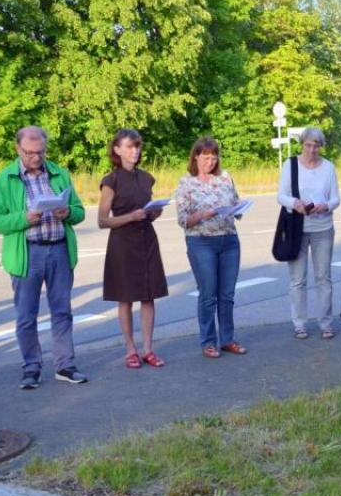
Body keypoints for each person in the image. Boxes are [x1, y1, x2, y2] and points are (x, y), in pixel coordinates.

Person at [0, 125, 88, 389]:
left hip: (59, 248)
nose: (36, 157)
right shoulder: (6, 177)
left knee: (62, 311)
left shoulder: (59, 173)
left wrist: (69, 213)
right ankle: (31, 368)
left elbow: (79, 211)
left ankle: (65, 365)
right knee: (26, 315)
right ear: (18, 148)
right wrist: (23, 218)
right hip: (27, 252)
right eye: (30, 153)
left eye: (40, 152)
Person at [98, 128, 168, 369]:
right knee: (125, 298)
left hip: (147, 239)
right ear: (117, 150)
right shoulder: (111, 180)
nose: (134, 150)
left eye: (137, 146)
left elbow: (146, 212)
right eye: (129, 146)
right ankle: (130, 349)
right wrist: (130, 216)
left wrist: (154, 213)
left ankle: (148, 349)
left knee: (149, 296)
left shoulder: (147, 177)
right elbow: (102, 221)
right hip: (123, 243)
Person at [173, 136, 246, 358]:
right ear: (196, 156)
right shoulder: (186, 182)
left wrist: (238, 208)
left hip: (229, 239)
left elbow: (236, 206)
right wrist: (204, 214)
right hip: (201, 241)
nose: (210, 162)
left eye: (214, 157)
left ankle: (228, 339)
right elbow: (183, 219)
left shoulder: (225, 178)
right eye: (206, 157)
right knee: (208, 294)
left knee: (227, 294)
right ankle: (208, 341)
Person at [277, 127, 340, 340]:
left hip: (322, 227)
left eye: (316, 146)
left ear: (321, 147)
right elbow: (281, 196)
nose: (312, 150)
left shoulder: (328, 167)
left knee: (323, 277)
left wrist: (325, 206)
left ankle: (326, 323)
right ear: (302, 144)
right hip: (297, 227)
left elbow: (335, 199)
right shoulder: (290, 165)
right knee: (297, 279)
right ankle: (299, 324)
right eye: (308, 145)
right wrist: (295, 203)